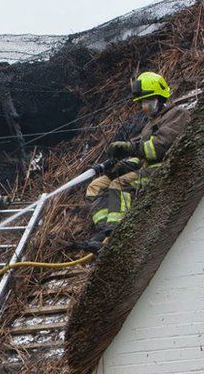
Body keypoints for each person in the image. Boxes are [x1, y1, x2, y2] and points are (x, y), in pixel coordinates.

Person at [81, 71, 192, 252]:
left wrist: (130, 148)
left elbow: (158, 148)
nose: (145, 107)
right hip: (146, 167)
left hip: (165, 168)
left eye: (148, 102)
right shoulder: (149, 125)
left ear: (160, 98)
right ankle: (103, 231)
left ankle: (116, 234)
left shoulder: (177, 115)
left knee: (120, 184)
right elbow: (142, 154)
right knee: (96, 186)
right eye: (142, 103)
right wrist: (123, 165)